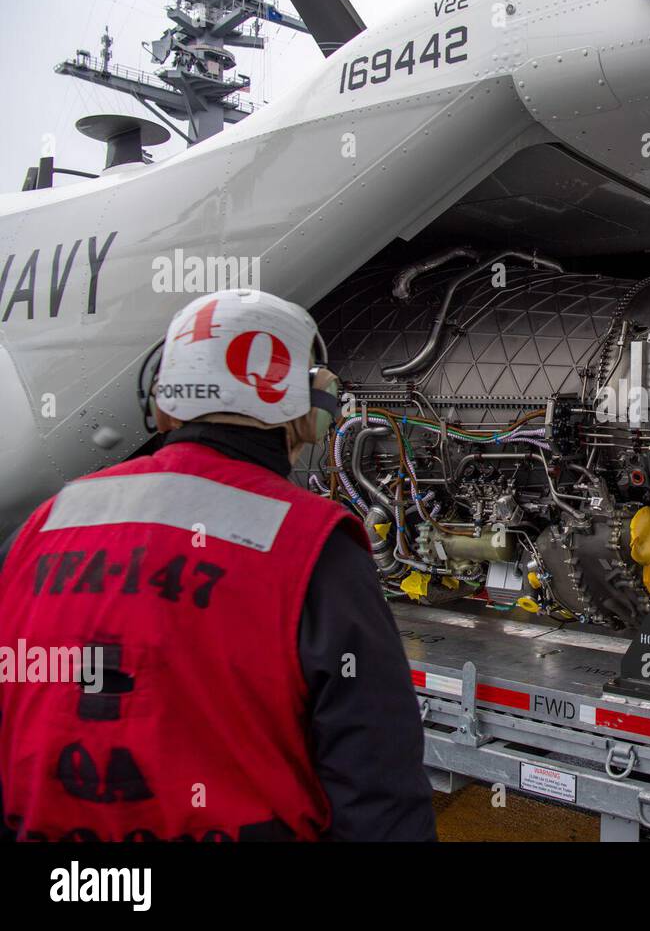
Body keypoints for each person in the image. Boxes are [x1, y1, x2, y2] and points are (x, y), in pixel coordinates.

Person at [0, 290, 435, 842]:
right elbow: (376, 787)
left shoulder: (43, 525)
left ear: (159, 402)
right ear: (304, 410)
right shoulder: (312, 544)